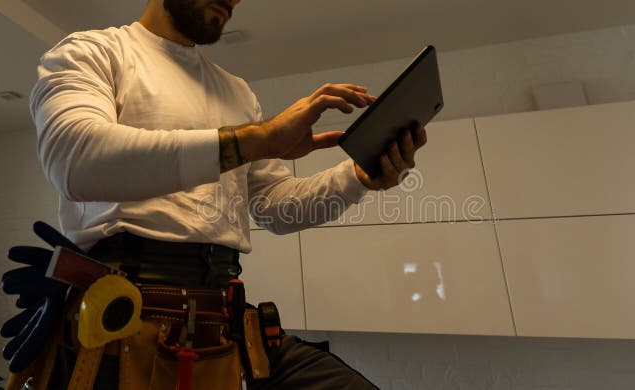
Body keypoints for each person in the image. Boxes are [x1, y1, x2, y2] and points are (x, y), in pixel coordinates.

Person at [26, 0, 427, 388]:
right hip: (124, 317)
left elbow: (274, 208)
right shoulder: (92, 52)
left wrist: (356, 176)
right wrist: (258, 139)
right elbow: (75, 159)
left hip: (224, 317)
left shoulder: (237, 92)